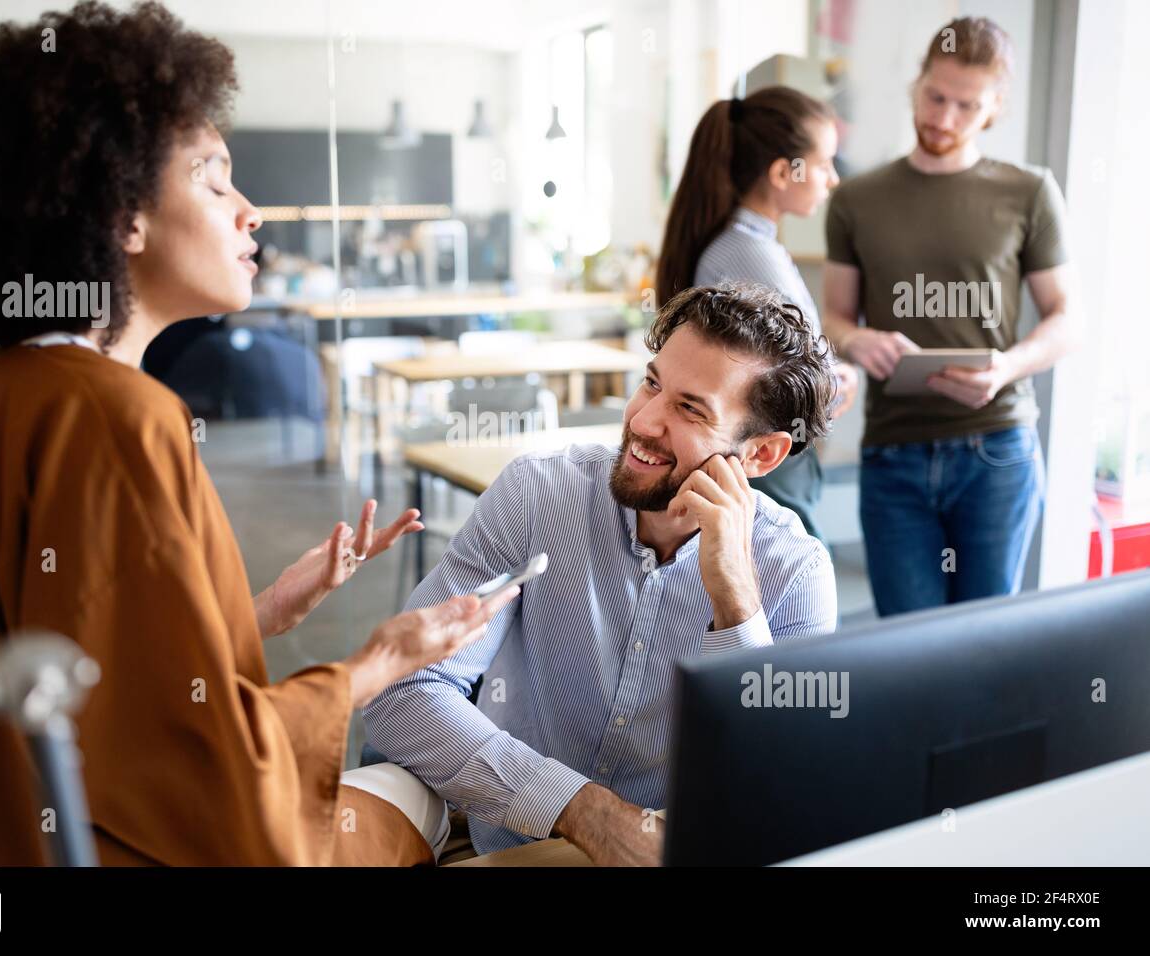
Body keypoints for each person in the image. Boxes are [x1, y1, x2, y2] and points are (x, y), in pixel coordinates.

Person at [0, 0, 514, 866]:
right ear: (123, 213)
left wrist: (257, 610)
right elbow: (200, 770)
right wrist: (384, 658)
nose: (250, 210)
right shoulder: (121, 416)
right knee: (427, 793)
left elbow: (95, 677)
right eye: (213, 176)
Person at [365, 284, 838, 865]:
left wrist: (736, 603)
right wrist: (583, 811)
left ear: (762, 454)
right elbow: (398, 690)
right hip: (513, 848)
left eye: (689, 409)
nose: (642, 419)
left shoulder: (794, 571)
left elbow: (777, 789)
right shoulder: (537, 495)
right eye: (652, 383)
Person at [822, 16, 1082, 616]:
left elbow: (1069, 319)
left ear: (994, 108)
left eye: (966, 106)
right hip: (895, 453)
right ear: (917, 85)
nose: (943, 118)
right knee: (909, 651)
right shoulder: (856, 200)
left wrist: (1007, 365)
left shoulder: (1030, 193)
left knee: (985, 648)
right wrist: (858, 338)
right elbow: (833, 316)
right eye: (935, 97)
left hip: (997, 450)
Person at [656, 85, 858, 541]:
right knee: (795, 596)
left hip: (760, 452)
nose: (832, 179)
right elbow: (813, 373)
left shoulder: (747, 244)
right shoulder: (749, 253)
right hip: (765, 459)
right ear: (784, 173)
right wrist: (843, 377)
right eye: (824, 165)